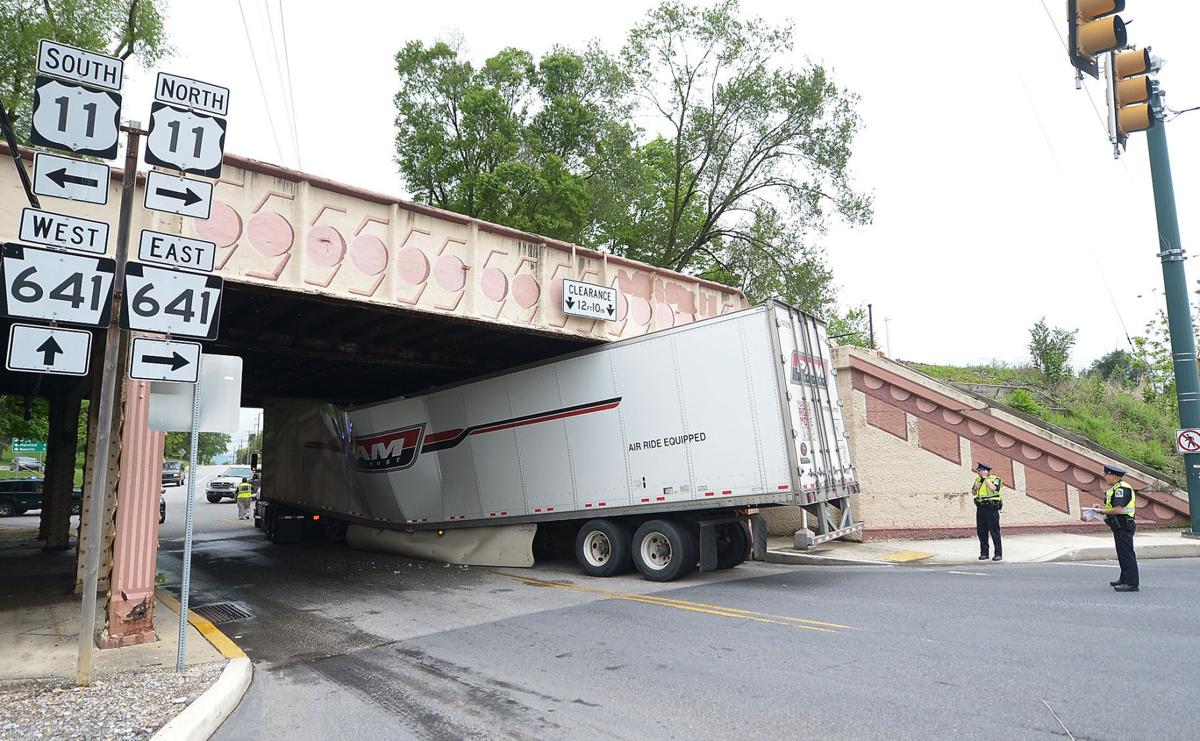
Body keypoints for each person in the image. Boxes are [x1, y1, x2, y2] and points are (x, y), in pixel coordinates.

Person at [1097, 464, 1139, 592]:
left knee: (1127, 553)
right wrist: (1100, 509)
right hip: (1118, 523)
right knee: (1121, 553)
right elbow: (1112, 507)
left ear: (1113, 475)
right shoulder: (1115, 488)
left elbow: (1118, 509)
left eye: (1106, 474)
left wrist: (1102, 512)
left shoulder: (1122, 488)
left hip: (1124, 523)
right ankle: (1124, 578)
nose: (1104, 476)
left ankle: (1132, 582)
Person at [971, 462, 1004, 561]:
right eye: (978, 471)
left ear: (985, 471)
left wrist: (985, 479)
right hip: (981, 508)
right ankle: (984, 553)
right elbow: (973, 493)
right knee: (981, 531)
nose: (978, 472)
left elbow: (994, 488)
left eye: (979, 471)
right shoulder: (977, 480)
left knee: (994, 531)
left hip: (991, 508)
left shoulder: (996, 479)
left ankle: (998, 554)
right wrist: (975, 488)